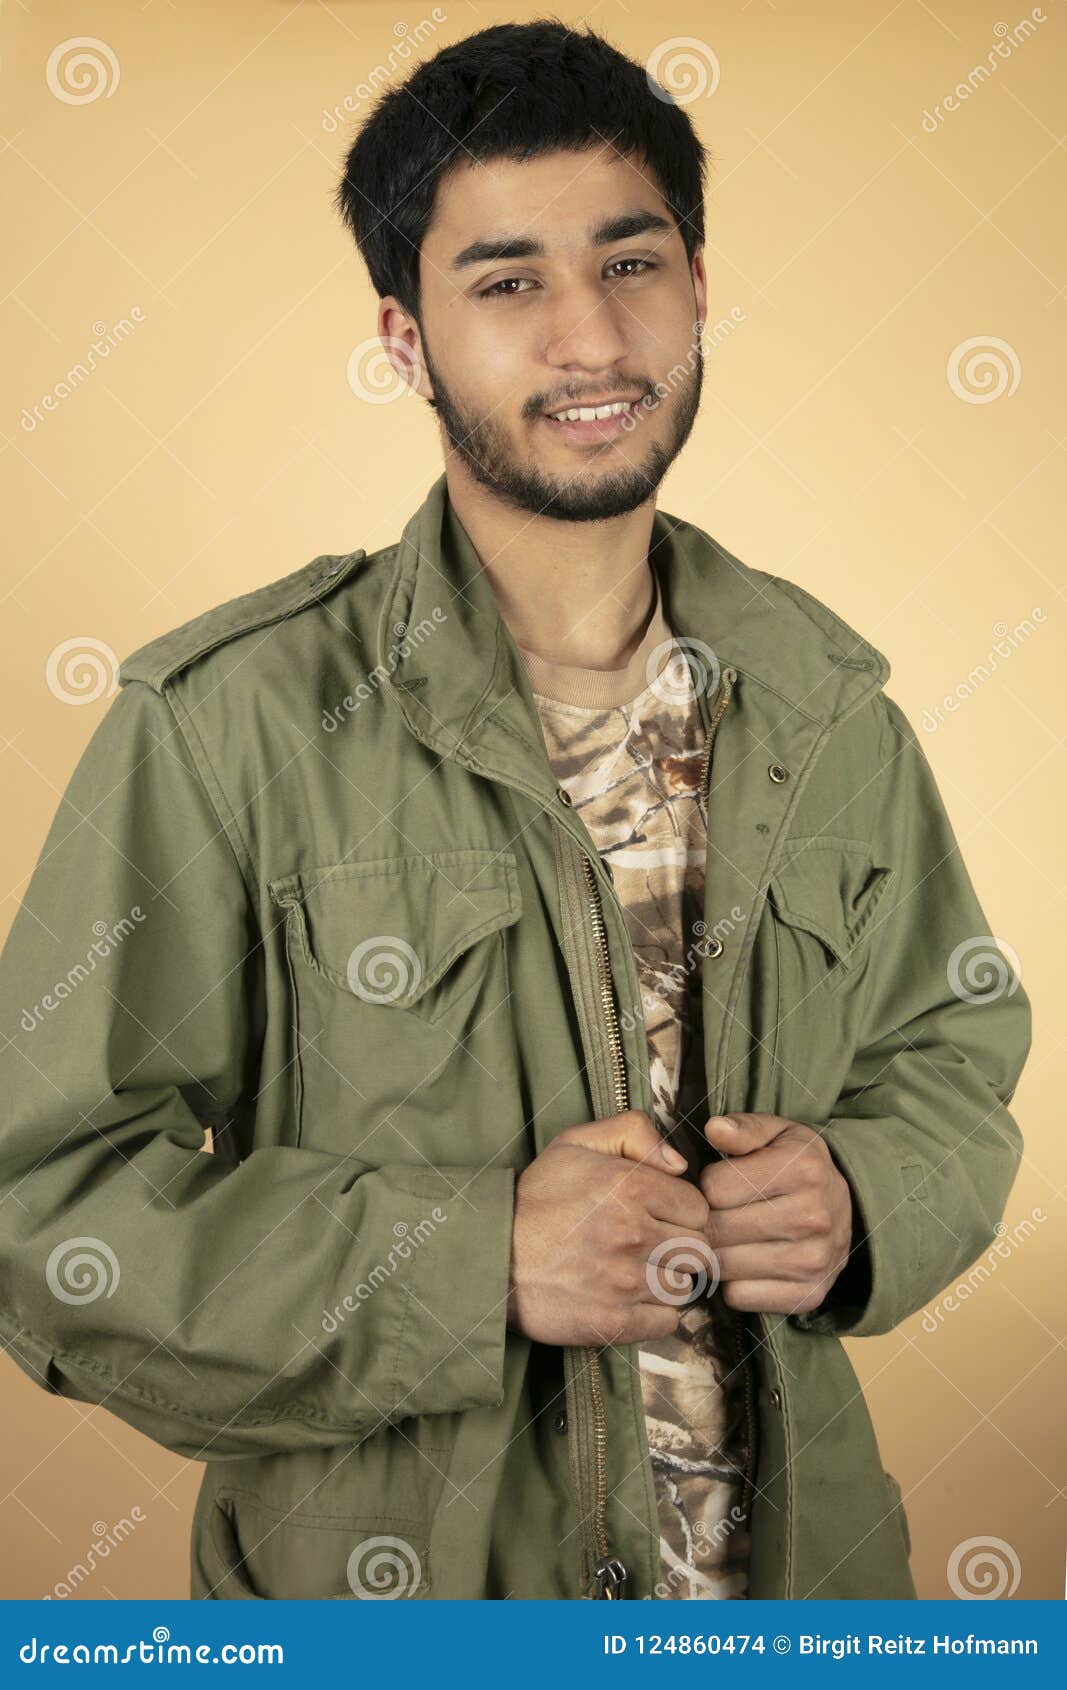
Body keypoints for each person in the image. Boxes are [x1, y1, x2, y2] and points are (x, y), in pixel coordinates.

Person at [0, 20, 1029, 1601]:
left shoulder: (832, 709)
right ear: (405, 340)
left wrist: (866, 1198)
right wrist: (464, 1257)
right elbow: (42, 1206)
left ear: (700, 282)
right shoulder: (230, 727)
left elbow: (953, 1066)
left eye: (631, 265)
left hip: (810, 1607)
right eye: (506, 283)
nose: (589, 340)